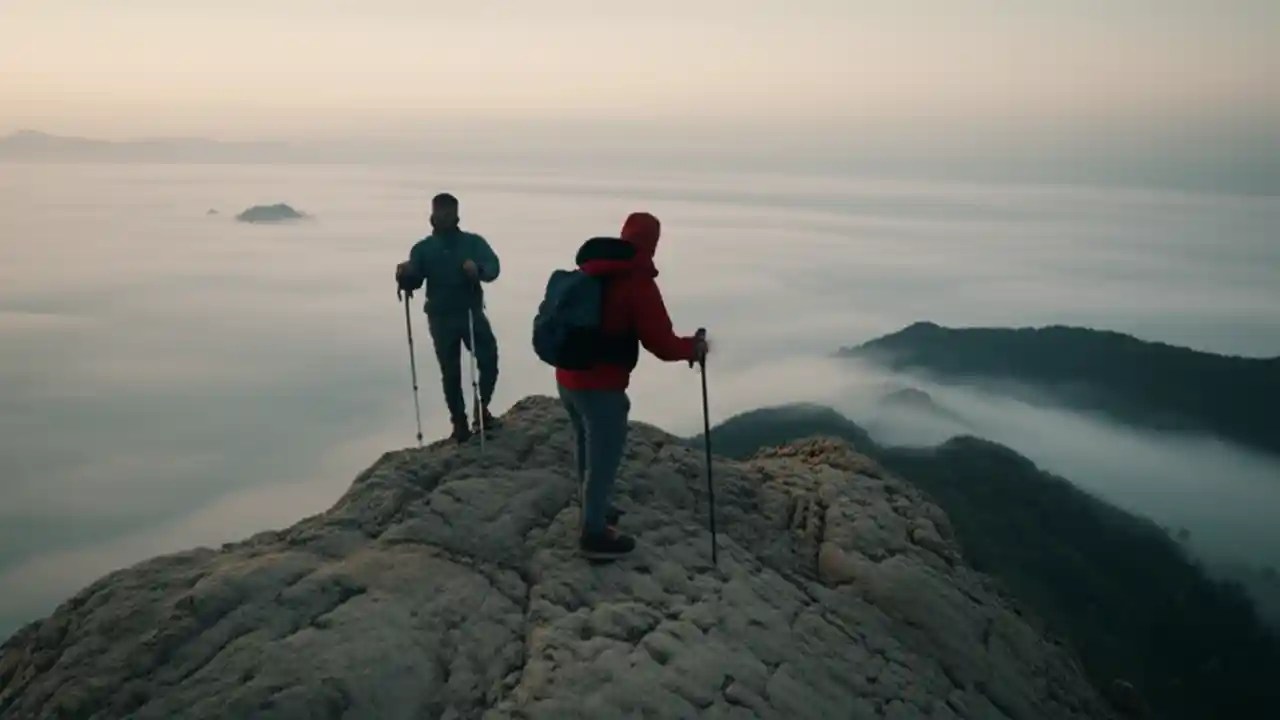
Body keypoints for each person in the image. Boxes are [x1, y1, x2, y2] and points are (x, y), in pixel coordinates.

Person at [555, 211, 708, 560]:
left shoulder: (593, 268)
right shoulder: (636, 282)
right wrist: (692, 349)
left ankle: (593, 509)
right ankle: (594, 534)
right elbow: (661, 343)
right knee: (604, 456)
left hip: (567, 378)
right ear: (652, 243)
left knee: (585, 447)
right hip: (601, 385)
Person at [396, 193, 501, 443]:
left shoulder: (472, 243)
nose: (442, 217)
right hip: (442, 317)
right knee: (451, 371)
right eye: (439, 212)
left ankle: (480, 409)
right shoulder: (422, 249)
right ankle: (460, 422)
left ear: (456, 215)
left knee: (489, 360)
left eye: (447, 213)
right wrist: (405, 275)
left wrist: (479, 269)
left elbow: (493, 267)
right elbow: (416, 279)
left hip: (469, 312)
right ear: (432, 214)